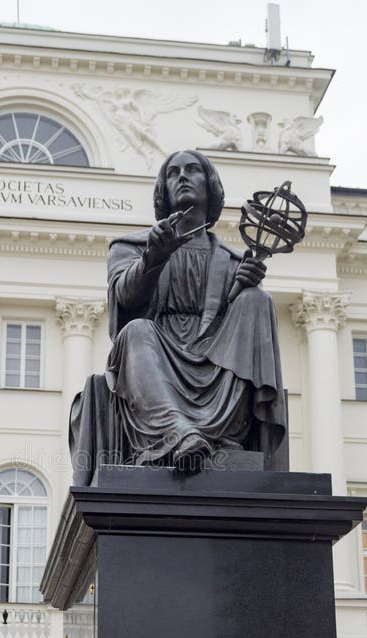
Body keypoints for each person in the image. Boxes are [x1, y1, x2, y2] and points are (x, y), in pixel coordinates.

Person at [70, 150, 286, 483]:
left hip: (214, 359)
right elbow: (125, 299)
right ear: (163, 190)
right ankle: (178, 432)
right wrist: (152, 258)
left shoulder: (232, 261)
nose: (182, 176)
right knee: (136, 331)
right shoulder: (130, 246)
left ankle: (227, 432)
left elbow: (236, 328)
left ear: (209, 185)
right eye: (173, 173)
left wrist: (246, 286)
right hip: (154, 355)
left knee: (257, 300)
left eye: (192, 169)